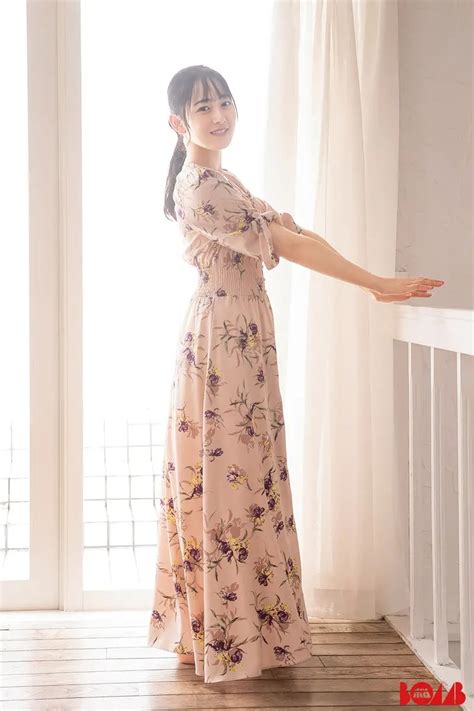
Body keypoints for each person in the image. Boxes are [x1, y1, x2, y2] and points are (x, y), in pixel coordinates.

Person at [147, 64, 444, 685]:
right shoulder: (202, 187)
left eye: (225, 102)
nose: (219, 115)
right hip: (223, 340)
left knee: (243, 476)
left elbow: (294, 233)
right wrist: (374, 282)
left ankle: (236, 635)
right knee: (231, 481)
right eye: (203, 108)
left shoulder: (223, 180)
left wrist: (371, 281)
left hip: (238, 333)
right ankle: (226, 640)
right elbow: (292, 244)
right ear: (178, 123)